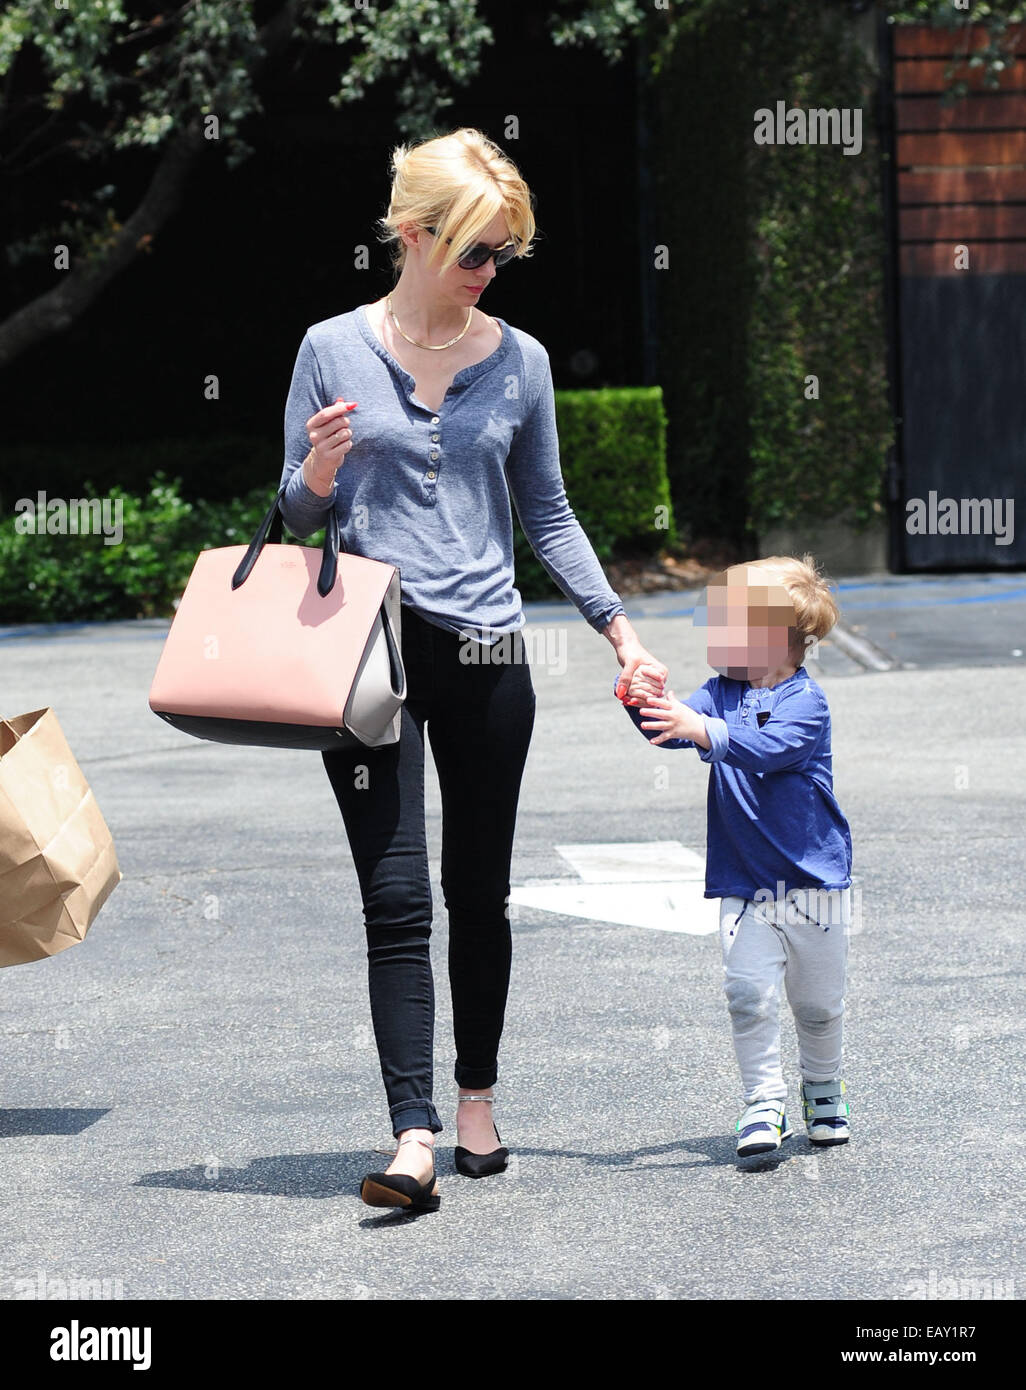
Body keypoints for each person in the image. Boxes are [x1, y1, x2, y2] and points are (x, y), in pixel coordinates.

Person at [277, 127, 667, 1210]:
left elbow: (547, 511)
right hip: (368, 653)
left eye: (505, 253)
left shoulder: (523, 362)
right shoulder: (329, 346)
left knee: (477, 893)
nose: (491, 271)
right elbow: (292, 511)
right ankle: (413, 1131)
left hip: (492, 649)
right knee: (395, 899)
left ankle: (480, 1098)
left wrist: (616, 627)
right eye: (476, 251)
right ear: (413, 234)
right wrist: (315, 470)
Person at [616, 555, 854, 1157]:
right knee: (748, 996)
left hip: (812, 885)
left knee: (819, 1007)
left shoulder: (807, 702)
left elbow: (767, 749)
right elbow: (672, 728)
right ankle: (763, 1103)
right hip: (745, 884)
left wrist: (701, 728)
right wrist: (641, 697)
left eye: (726, 625)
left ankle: (823, 1087)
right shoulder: (719, 693)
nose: (711, 635)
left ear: (774, 637)